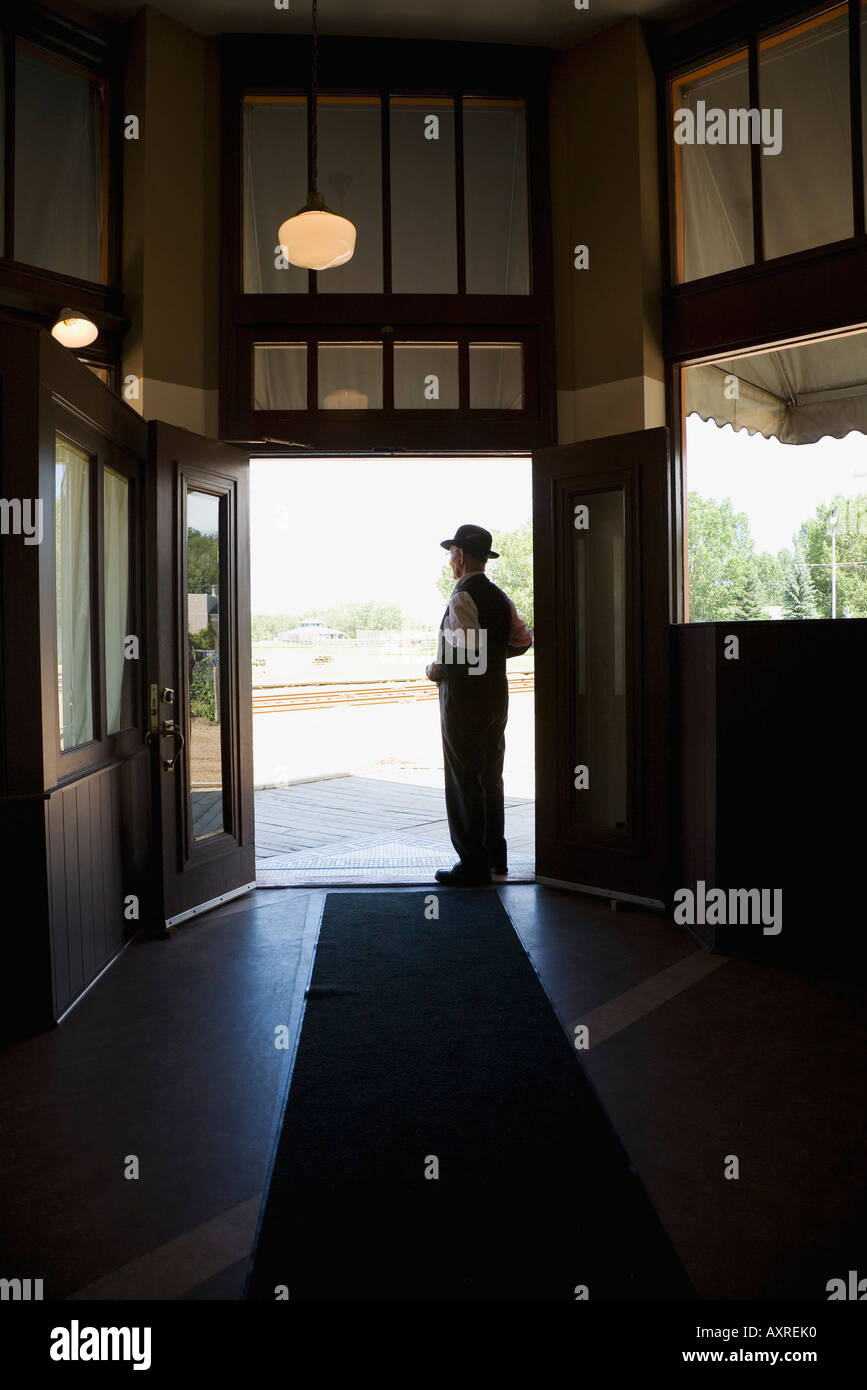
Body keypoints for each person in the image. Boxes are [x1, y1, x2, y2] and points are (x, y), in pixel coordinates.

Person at [425, 524, 533, 886]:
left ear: (459, 557)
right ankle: (495, 857)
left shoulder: (461, 598)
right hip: (494, 696)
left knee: (463, 777)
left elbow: (464, 655)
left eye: (451, 554)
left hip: (463, 700)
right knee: (490, 775)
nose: (449, 561)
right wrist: (494, 657)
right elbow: (521, 640)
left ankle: (472, 863)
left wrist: (434, 669)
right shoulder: (502, 598)